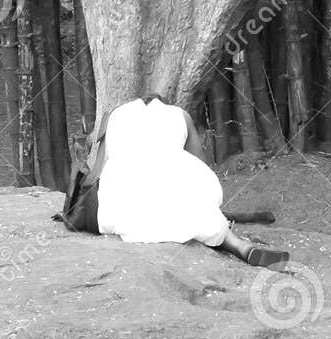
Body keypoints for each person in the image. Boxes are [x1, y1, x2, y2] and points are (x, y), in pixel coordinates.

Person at [58, 95, 289, 268]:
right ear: (164, 103)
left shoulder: (114, 115)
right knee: (206, 215)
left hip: (124, 213)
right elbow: (201, 164)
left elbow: (95, 176)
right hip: (172, 206)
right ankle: (242, 247)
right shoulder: (180, 115)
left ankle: (236, 243)